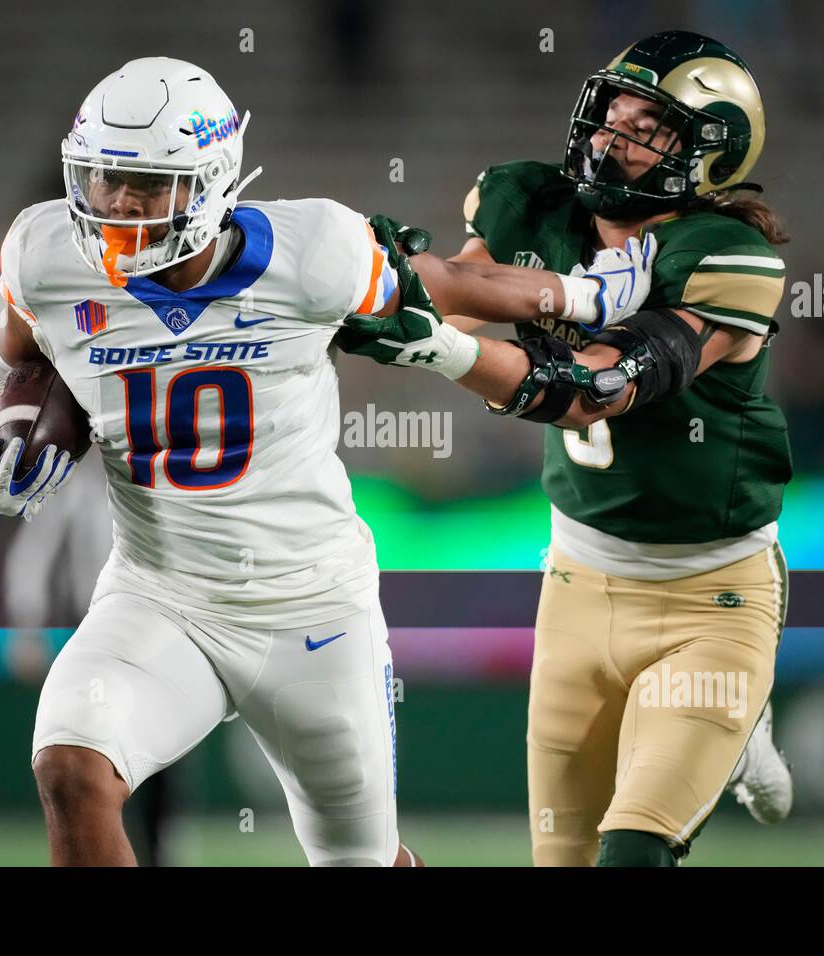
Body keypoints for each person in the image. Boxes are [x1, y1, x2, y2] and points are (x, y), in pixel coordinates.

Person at [0, 57, 651, 866]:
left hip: (312, 609)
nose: (117, 206)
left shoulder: (315, 249)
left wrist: (578, 300)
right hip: (160, 595)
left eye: (145, 186)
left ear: (211, 181)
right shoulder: (46, 254)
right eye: (105, 179)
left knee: (362, 860)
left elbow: (438, 284)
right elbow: (16, 358)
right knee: (71, 769)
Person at [337, 31, 796, 866]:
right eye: (611, 111)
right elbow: (455, 290)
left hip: (710, 600)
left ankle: (741, 716)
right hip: (577, 587)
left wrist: (448, 347)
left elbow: (591, 389)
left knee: (634, 852)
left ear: (706, 155)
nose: (610, 135)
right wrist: (359, 279)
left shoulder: (728, 257)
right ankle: (738, 729)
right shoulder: (536, 205)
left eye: (647, 125)